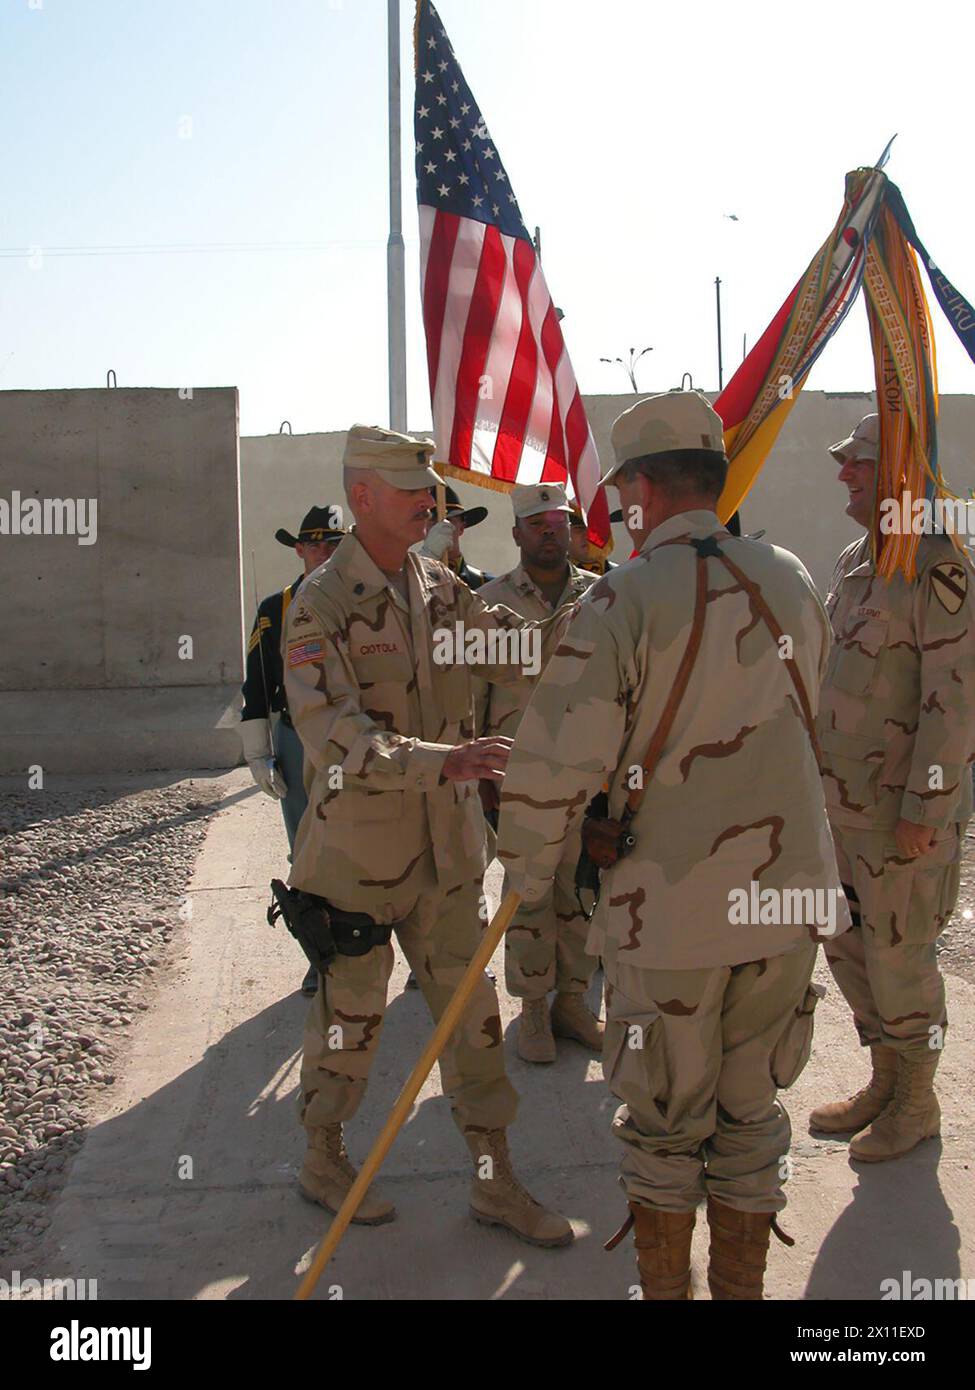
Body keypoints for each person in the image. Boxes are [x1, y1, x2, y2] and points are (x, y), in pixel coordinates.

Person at [497, 390, 848, 1299]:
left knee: (662, 1123)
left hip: (674, 910)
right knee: (749, 1110)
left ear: (641, 488)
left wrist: (526, 871)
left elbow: (553, 760)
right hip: (788, 899)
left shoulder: (620, 597)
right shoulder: (793, 576)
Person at [282, 423, 573, 1246]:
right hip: (357, 859)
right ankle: (323, 1156)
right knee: (350, 1018)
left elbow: (514, 653)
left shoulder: (438, 586)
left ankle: (494, 1182)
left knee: (470, 1022)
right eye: (412, 489)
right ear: (362, 497)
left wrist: (597, 615)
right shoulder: (321, 604)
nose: (429, 501)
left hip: (447, 856)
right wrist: (444, 760)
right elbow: (331, 732)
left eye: (429, 488)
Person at [809, 413, 975, 1161]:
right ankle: (884, 1075)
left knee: (901, 959)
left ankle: (917, 1102)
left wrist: (926, 809)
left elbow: (955, 698)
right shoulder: (855, 558)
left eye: (861, 463)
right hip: (839, 809)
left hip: (898, 816)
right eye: (844, 462)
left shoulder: (939, 564)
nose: (845, 474)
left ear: (901, 474)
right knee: (847, 949)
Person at [477, 484, 601, 1062]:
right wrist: (478, 778)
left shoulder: (605, 598)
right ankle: (531, 1010)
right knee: (527, 898)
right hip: (517, 781)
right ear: (516, 533)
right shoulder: (489, 602)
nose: (551, 530)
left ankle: (572, 1003)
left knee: (581, 897)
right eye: (537, 522)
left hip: (588, 777)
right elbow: (472, 697)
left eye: (559, 521)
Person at [240, 505, 345, 996]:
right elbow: (256, 683)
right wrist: (258, 752)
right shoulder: (276, 607)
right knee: (306, 844)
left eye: (337, 543)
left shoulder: (362, 599)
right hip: (297, 734)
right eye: (319, 544)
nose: (327, 553)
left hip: (353, 732)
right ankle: (320, 950)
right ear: (300, 549)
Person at [418, 485, 494, 588]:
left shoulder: (485, 584)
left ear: (461, 528)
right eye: (433, 521)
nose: (440, 527)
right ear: (424, 528)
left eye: (448, 521)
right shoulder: (406, 579)